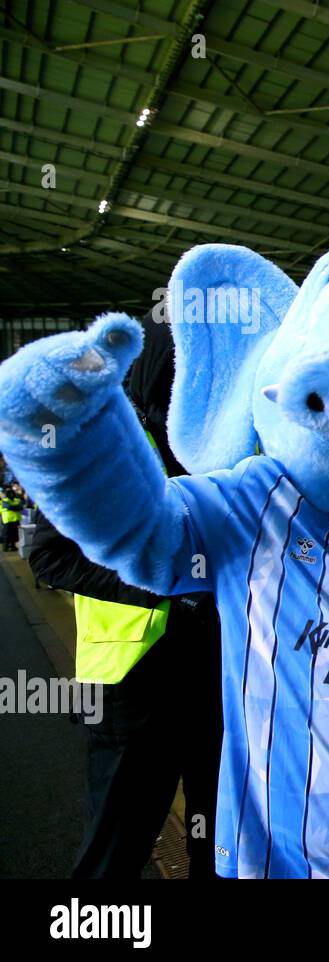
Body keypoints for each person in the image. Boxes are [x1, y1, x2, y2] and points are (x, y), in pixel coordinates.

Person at [27, 319, 222, 880]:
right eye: (182, 370)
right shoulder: (94, 444)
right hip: (132, 684)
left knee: (220, 844)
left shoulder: (216, 448)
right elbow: (50, 556)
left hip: (219, 677)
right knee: (116, 849)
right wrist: (158, 585)